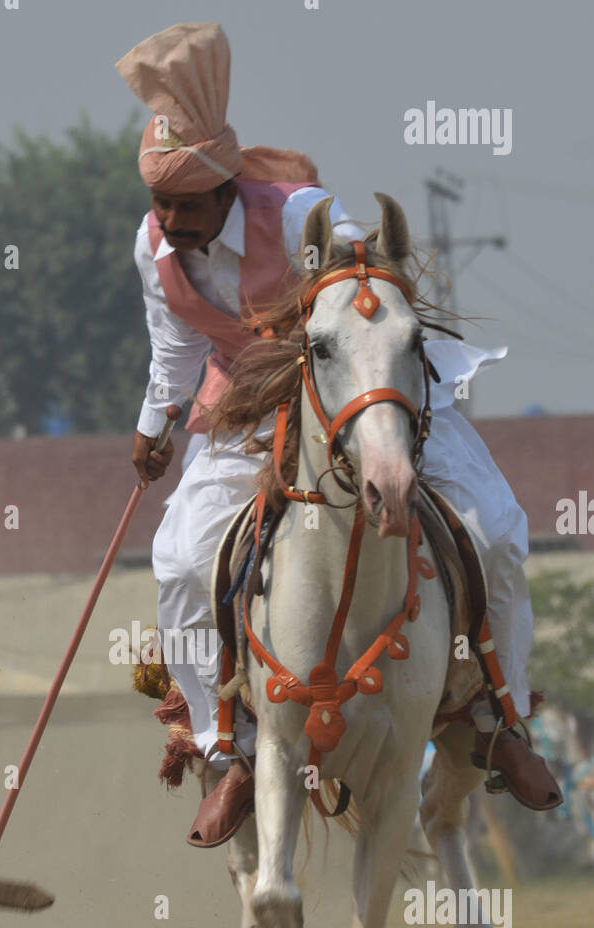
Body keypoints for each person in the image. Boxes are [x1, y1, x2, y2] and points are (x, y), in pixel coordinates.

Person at [116, 21, 562, 847]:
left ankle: (501, 717)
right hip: (245, 408)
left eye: (186, 203)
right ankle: (227, 750)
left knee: (498, 530)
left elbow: (373, 297)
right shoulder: (152, 247)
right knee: (177, 559)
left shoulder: (300, 216)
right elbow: (176, 343)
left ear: (225, 188)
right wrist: (156, 425)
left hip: (361, 391)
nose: (171, 219)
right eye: (160, 203)